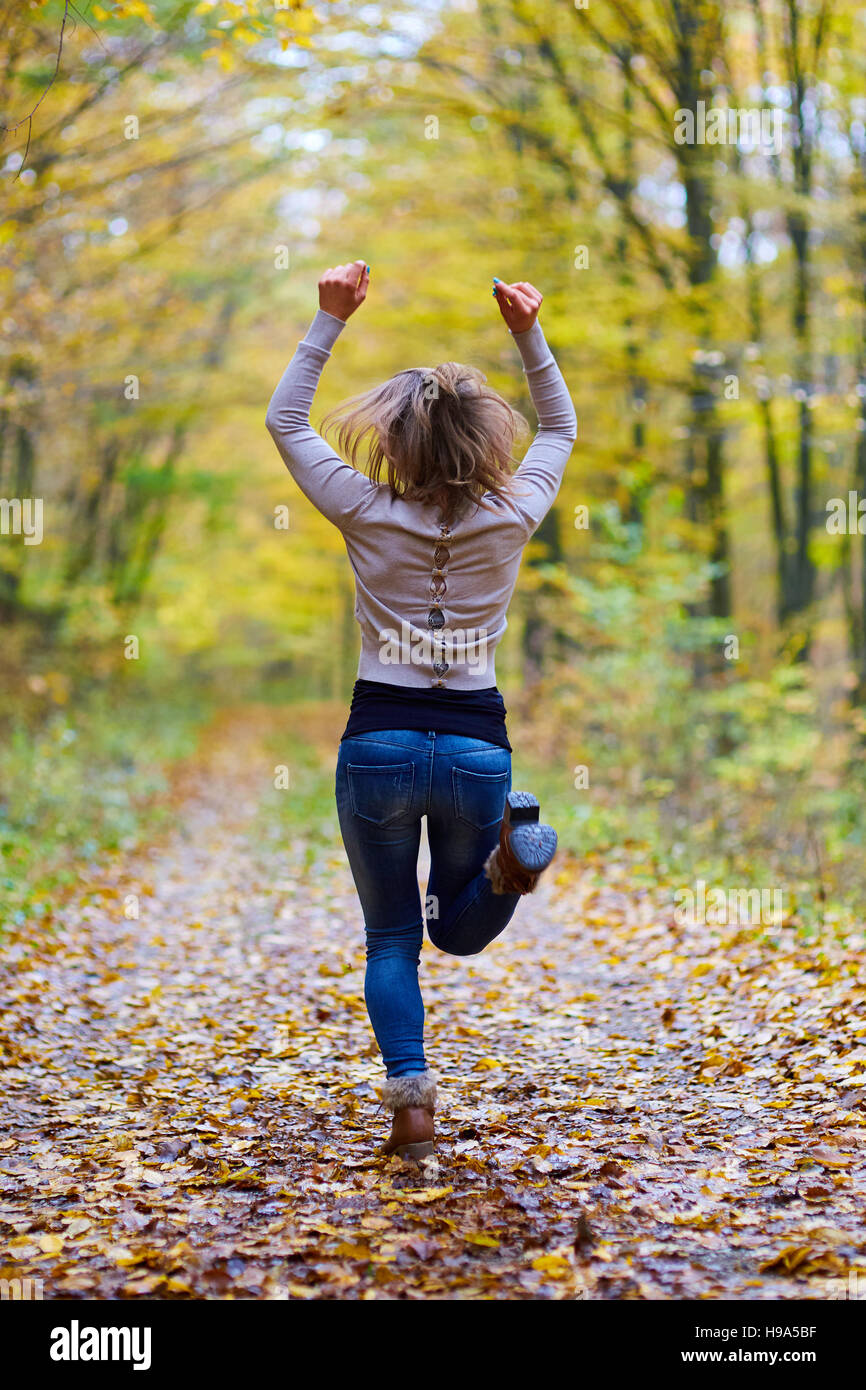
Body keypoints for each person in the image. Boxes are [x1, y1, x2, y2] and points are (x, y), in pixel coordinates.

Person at [266, 259, 577, 1159]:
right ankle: (507, 868)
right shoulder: (514, 513)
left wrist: (329, 319)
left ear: (395, 444)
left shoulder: (363, 507)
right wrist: (528, 332)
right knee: (457, 928)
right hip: (477, 743)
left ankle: (411, 1102)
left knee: (394, 937)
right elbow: (560, 424)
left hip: (381, 741)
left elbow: (285, 420)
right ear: (484, 442)